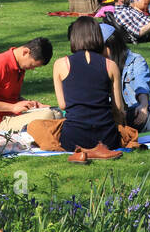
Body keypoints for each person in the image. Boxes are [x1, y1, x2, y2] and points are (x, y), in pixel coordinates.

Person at [53, 17, 126, 154]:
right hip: (107, 138)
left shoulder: (60, 64)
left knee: (37, 127)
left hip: (73, 138)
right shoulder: (110, 65)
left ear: (74, 37)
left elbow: (63, 105)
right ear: (98, 36)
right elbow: (118, 108)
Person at [0, 38, 55, 130]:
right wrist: (13, 107)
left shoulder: (20, 66)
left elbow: (11, 97)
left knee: (56, 113)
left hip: (14, 115)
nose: (32, 69)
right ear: (25, 52)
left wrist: (33, 105)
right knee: (48, 116)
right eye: (32, 65)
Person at [103, 28, 150, 130]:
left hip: (131, 111)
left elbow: (142, 86)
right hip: (109, 112)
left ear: (110, 47)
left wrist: (143, 105)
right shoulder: (98, 63)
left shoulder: (136, 60)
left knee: (137, 116)